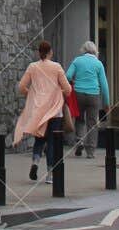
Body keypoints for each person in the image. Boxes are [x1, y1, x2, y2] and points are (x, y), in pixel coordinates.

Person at [14, 41, 71, 181]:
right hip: (55, 111)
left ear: (39, 52)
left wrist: (32, 94)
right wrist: (58, 92)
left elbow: (21, 87)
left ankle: (35, 162)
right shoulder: (56, 67)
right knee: (52, 142)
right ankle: (50, 175)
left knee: (39, 139)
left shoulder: (32, 67)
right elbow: (68, 89)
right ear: (50, 52)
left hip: (38, 109)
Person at [66, 40, 109, 159]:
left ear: (83, 50)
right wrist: (106, 103)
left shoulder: (77, 61)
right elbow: (104, 85)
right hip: (93, 95)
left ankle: (79, 141)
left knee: (79, 119)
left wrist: (74, 82)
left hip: (78, 93)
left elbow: (68, 76)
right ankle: (90, 151)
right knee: (92, 123)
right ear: (95, 51)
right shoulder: (98, 64)